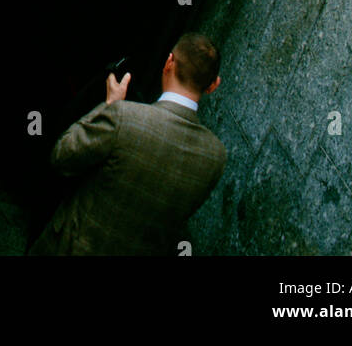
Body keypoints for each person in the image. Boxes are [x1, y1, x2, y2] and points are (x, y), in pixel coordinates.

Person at [30, 32, 226, 256]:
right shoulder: (216, 157)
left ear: (169, 62)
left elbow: (62, 156)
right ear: (213, 85)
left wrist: (110, 106)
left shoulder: (123, 116)